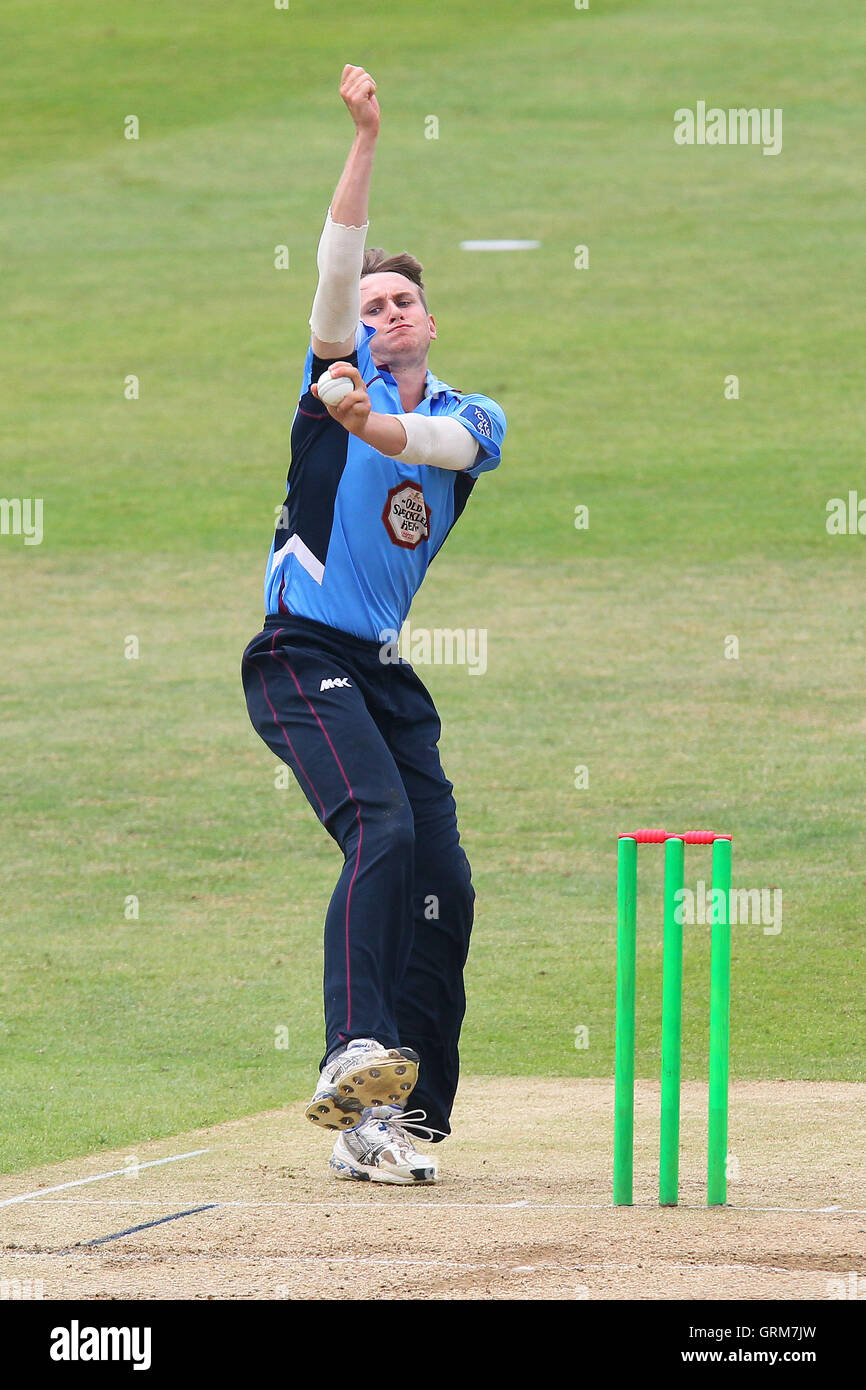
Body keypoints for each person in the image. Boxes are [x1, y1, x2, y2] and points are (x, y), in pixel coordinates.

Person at [241, 65, 506, 1185]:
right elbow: (337, 257)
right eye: (369, 306)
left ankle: (397, 1116)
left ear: (428, 321)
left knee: (442, 880)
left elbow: (427, 452)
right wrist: (366, 138)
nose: (382, 312)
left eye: (402, 303)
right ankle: (350, 1048)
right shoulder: (327, 380)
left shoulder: (470, 419)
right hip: (301, 655)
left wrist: (375, 423)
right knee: (381, 833)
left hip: (386, 673)